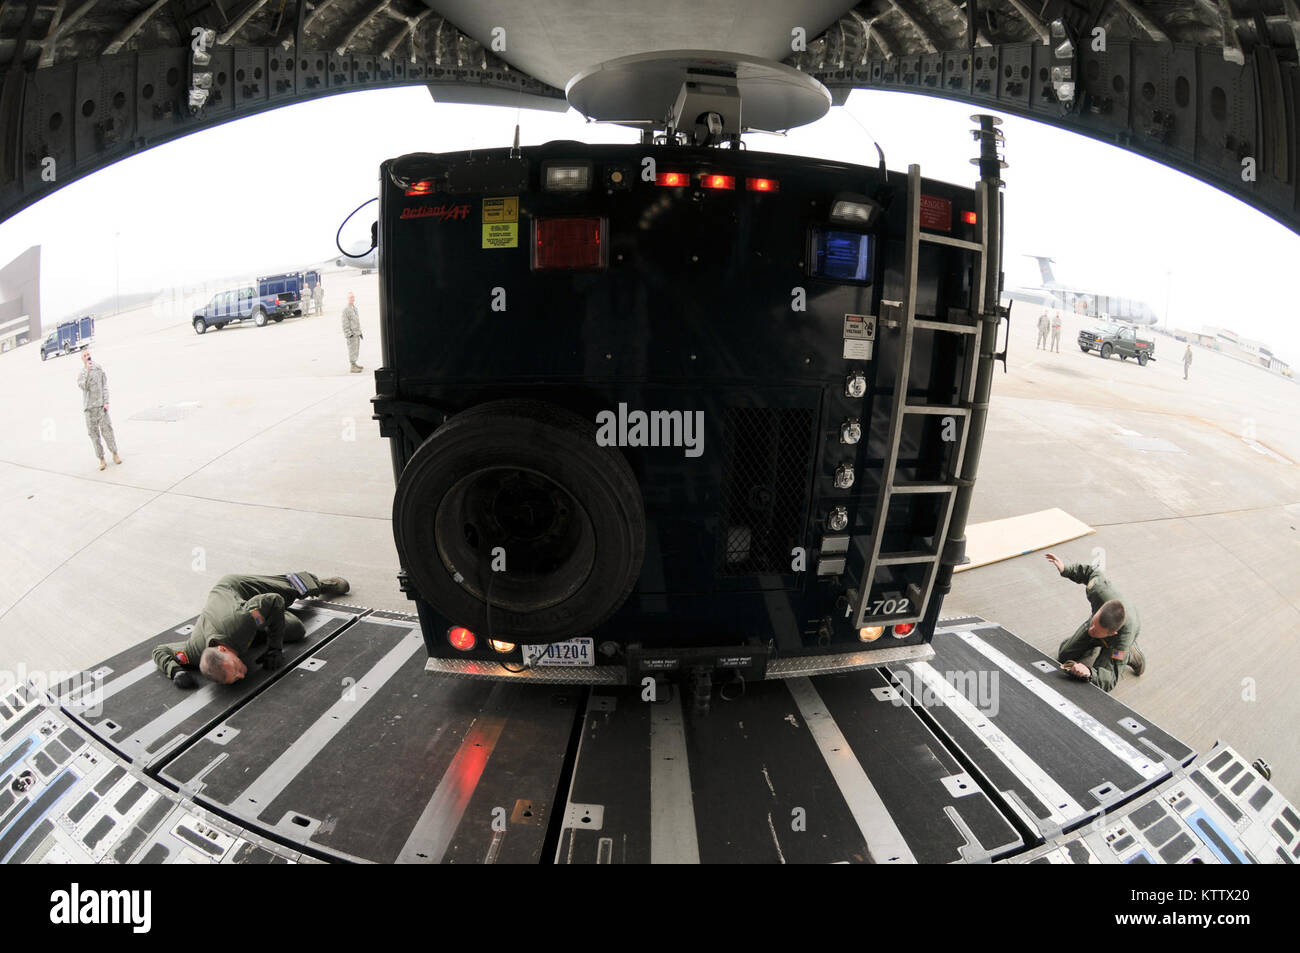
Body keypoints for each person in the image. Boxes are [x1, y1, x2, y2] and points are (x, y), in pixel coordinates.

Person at [152, 571, 350, 688]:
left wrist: (274, 648)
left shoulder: (240, 623)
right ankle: (264, 616)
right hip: (237, 612)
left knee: (287, 591)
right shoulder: (193, 653)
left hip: (236, 588)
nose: (241, 675)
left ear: (222, 650)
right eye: (235, 678)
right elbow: (160, 651)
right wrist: (175, 672)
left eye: (236, 669)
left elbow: (274, 599)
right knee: (294, 629)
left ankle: (323, 584)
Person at [1046, 552, 1145, 692]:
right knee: (1064, 655)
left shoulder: (1121, 642)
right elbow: (1091, 572)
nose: (1091, 630)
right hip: (1104, 626)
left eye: (1096, 631)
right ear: (1100, 609)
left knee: (1098, 681)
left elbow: (1110, 680)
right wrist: (1066, 570)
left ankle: (1131, 654)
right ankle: (1093, 642)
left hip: (1115, 643)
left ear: (1112, 633)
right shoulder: (1099, 592)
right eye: (1093, 623)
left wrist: (1090, 673)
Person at [77, 350, 120, 471]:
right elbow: (83, 387)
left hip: (101, 406)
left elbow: (104, 386)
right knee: (94, 435)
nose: (87, 357)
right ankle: (101, 459)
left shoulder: (99, 368)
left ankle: (115, 453)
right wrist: (87, 371)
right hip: (89, 409)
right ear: (82, 359)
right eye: (84, 356)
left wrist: (106, 402)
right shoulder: (81, 373)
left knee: (107, 431)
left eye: (88, 355)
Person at [342, 292, 362, 373]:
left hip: (356, 333)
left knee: (356, 349)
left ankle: (355, 363)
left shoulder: (354, 308)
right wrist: (348, 333)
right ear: (348, 299)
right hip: (351, 334)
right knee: (352, 350)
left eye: (353, 297)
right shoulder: (346, 309)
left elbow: (356, 321)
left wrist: (360, 332)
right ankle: (352, 366)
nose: (352, 299)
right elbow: (344, 323)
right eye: (351, 297)